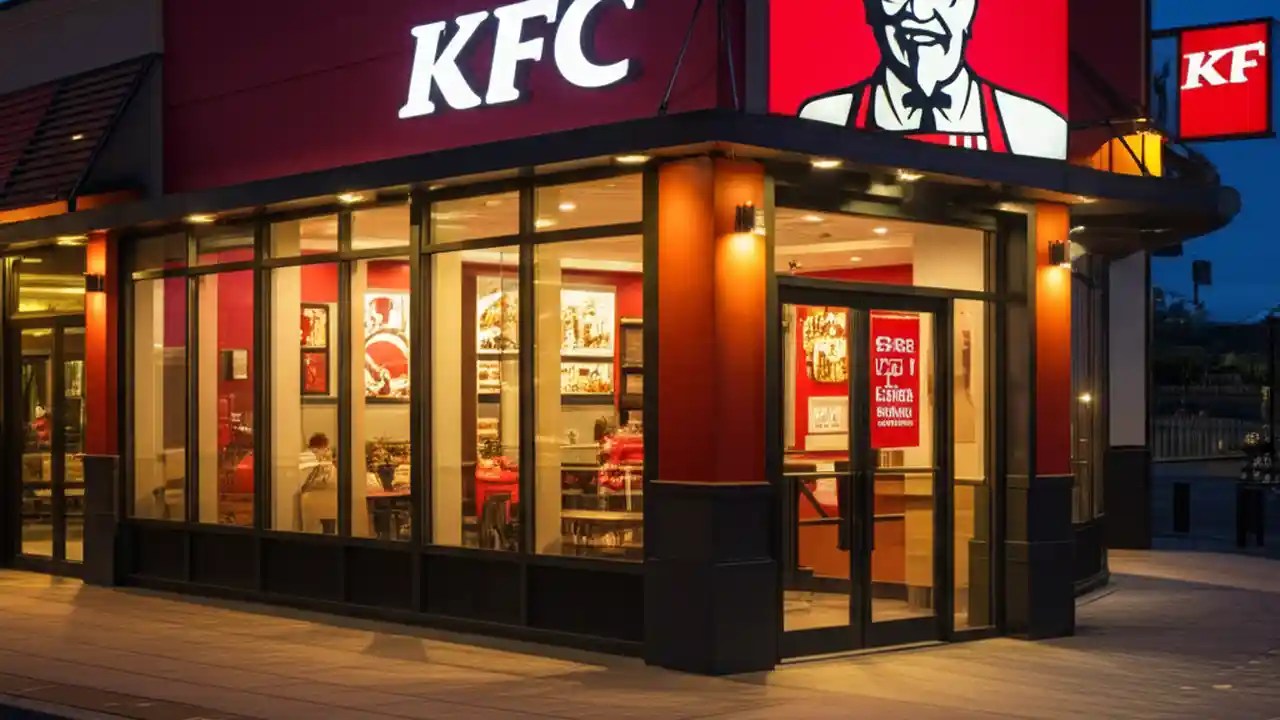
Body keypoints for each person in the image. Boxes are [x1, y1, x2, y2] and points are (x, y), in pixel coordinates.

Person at [798, 0, 1067, 160]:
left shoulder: (1036, 127)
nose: (920, 12)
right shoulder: (825, 117)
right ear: (871, 8)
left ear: (970, 8)